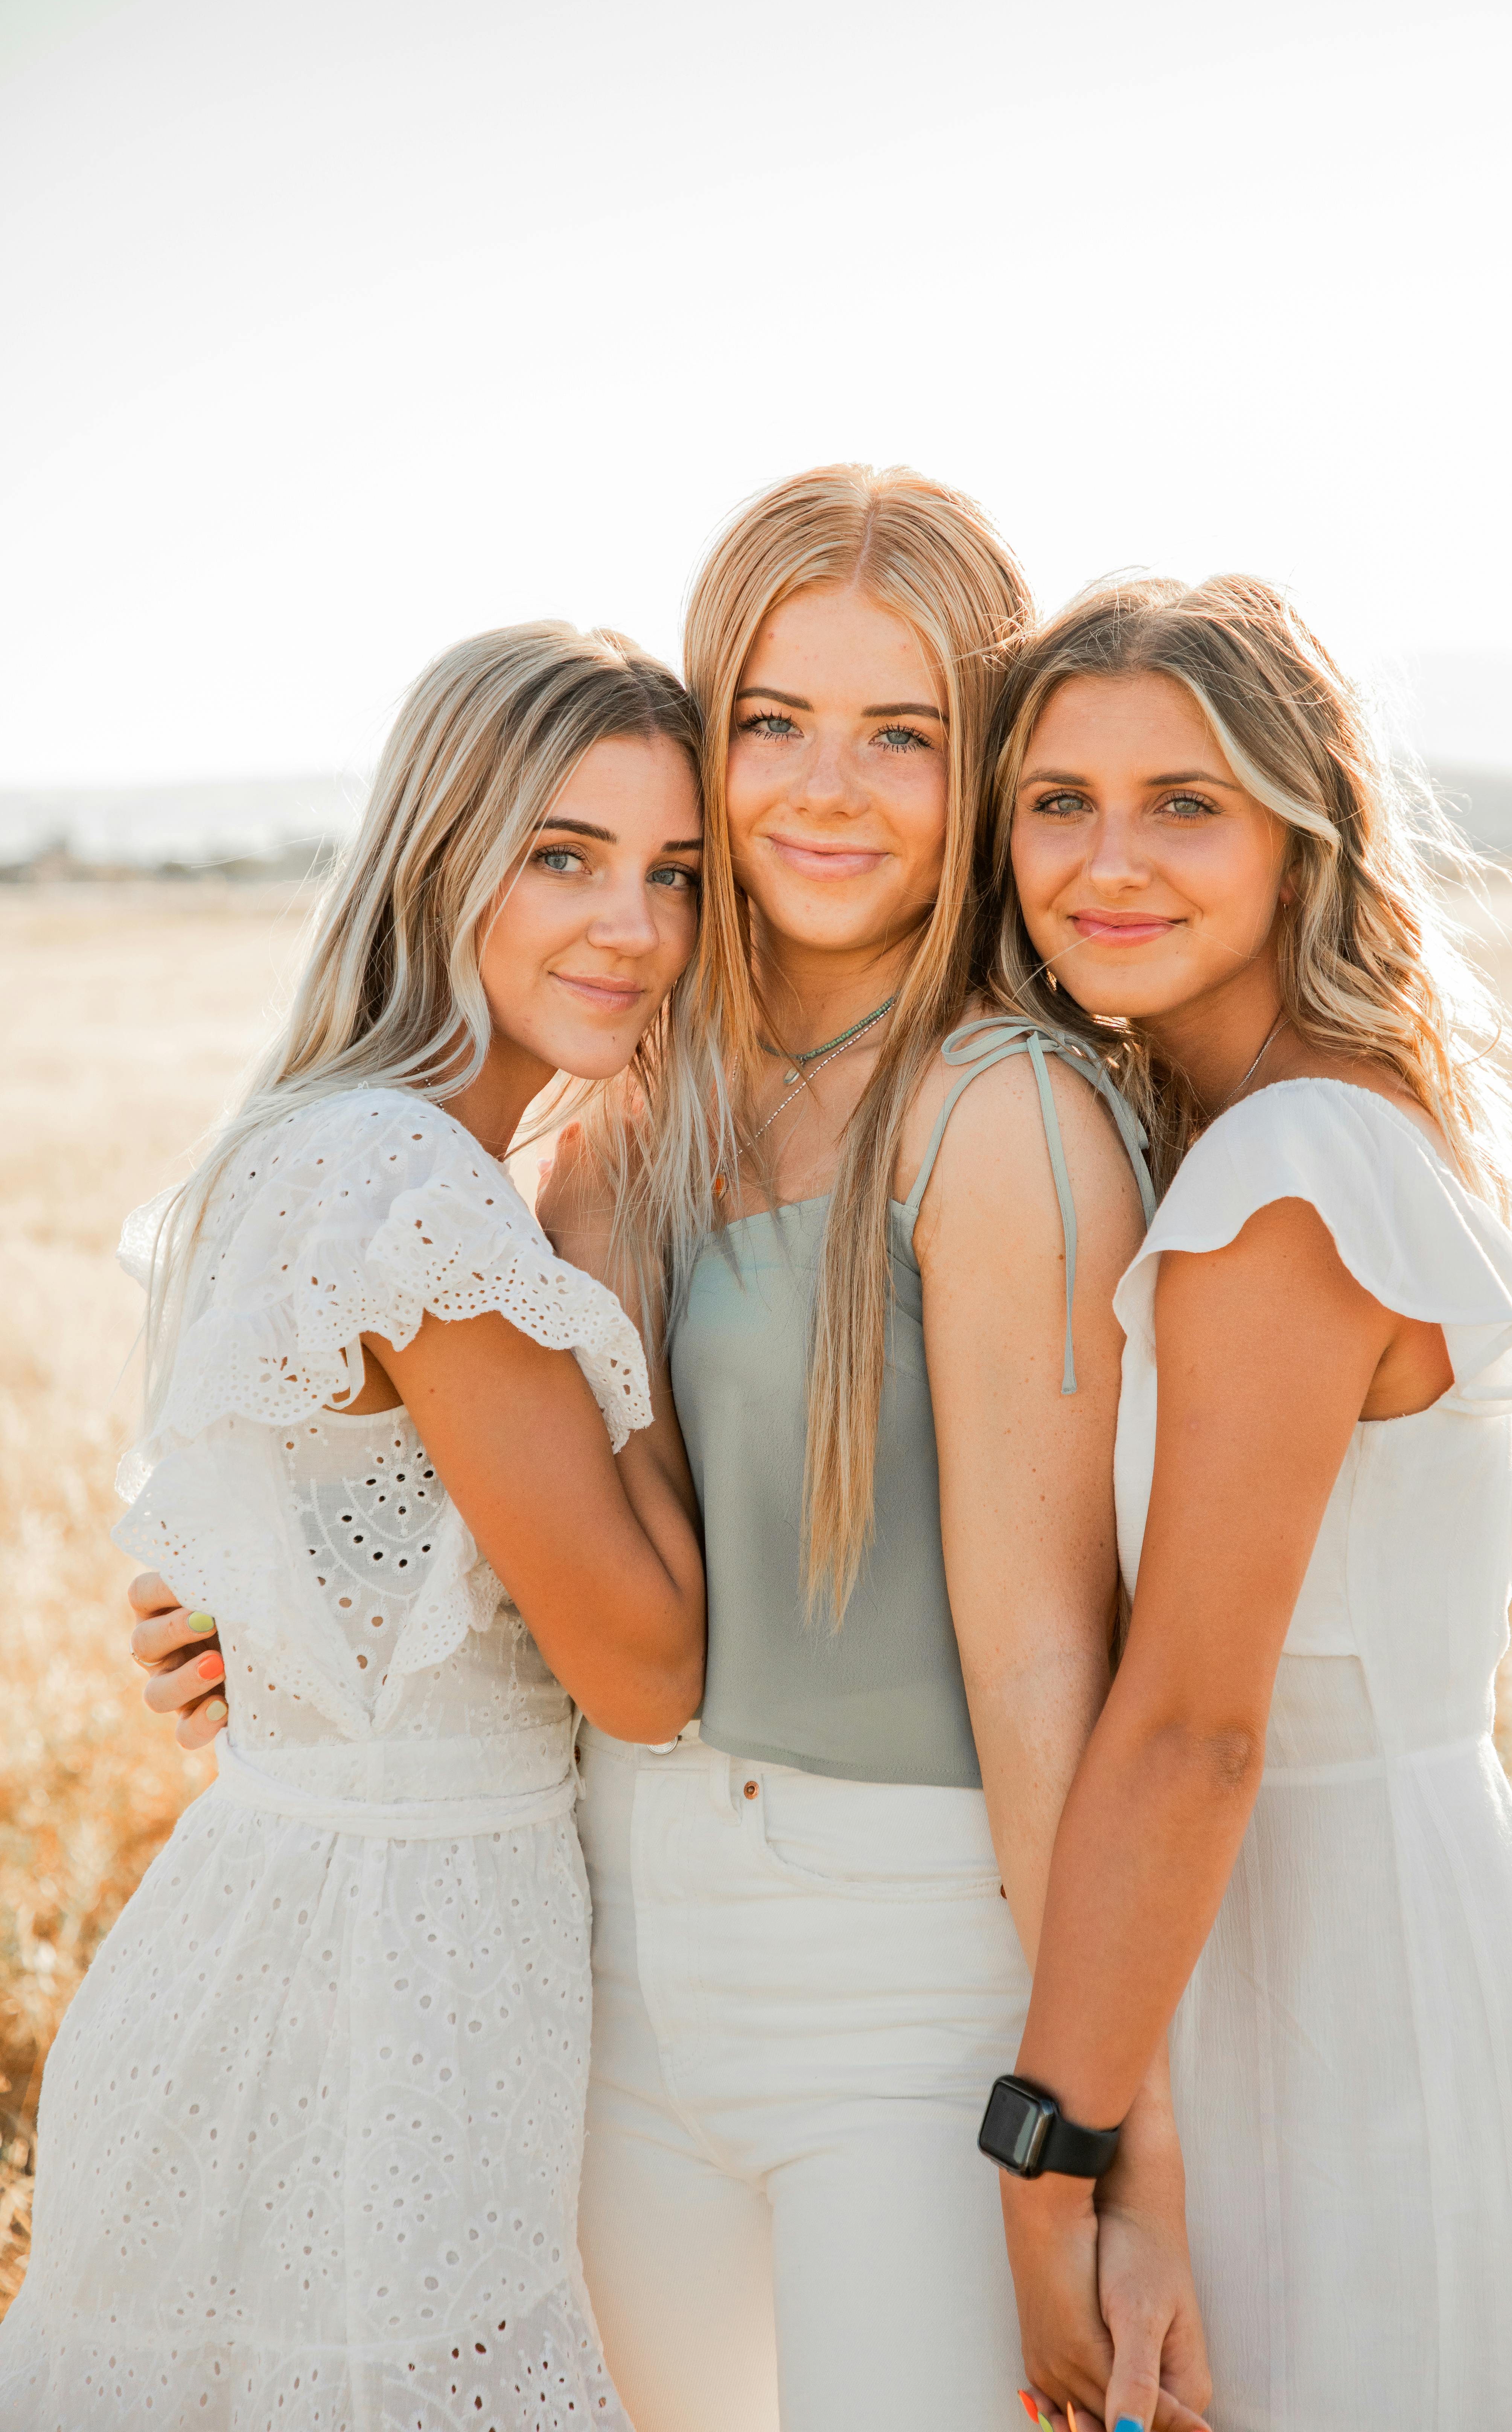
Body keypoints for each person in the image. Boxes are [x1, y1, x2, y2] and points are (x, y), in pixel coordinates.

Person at [544, 468, 1211, 2432]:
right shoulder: (629, 1096)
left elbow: (1040, 1677)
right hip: (622, 1958)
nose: (824, 791)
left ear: (988, 761)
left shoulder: (999, 1113)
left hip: (905, 1994)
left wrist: (1103, 2144)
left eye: (902, 735)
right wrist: (233, 1604)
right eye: (773, 723)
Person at [2, 624, 717, 2431]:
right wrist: (617, 1241)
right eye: (565, 854)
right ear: (437, 852)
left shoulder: (322, 1143)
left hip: (292, 1937)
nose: (630, 926)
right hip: (387, 1990)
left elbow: (291, 1579)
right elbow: (641, 1668)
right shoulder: (418, 1197)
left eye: (679, 874)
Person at [984, 575, 1512, 2430]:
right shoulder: (1298, 1131)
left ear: (1302, 835)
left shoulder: (1279, 1184)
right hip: (1365, 1970)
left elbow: (1192, 1726)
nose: (1107, 861)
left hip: (1347, 2030)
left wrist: (1049, 2156)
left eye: (1183, 802)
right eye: (1056, 801)